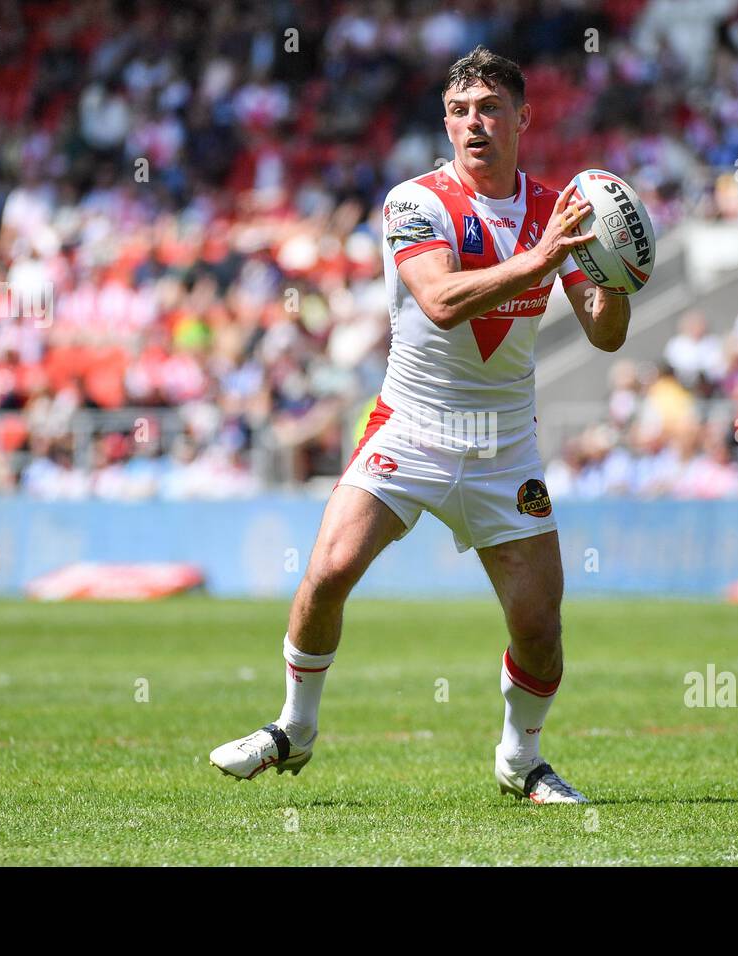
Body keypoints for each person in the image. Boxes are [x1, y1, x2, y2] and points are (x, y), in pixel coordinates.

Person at [209, 46, 630, 803]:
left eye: (492, 108)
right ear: (445, 120)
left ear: (523, 119)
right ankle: (294, 728)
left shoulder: (557, 209)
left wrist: (620, 276)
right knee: (328, 572)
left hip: (506, 445)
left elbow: (605, 332)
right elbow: (438, 300)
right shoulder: (416, 202)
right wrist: (540, 260)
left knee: (539, 624)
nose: (475, 123)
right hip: (411, 426)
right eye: (461, 110)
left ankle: (521, 761)